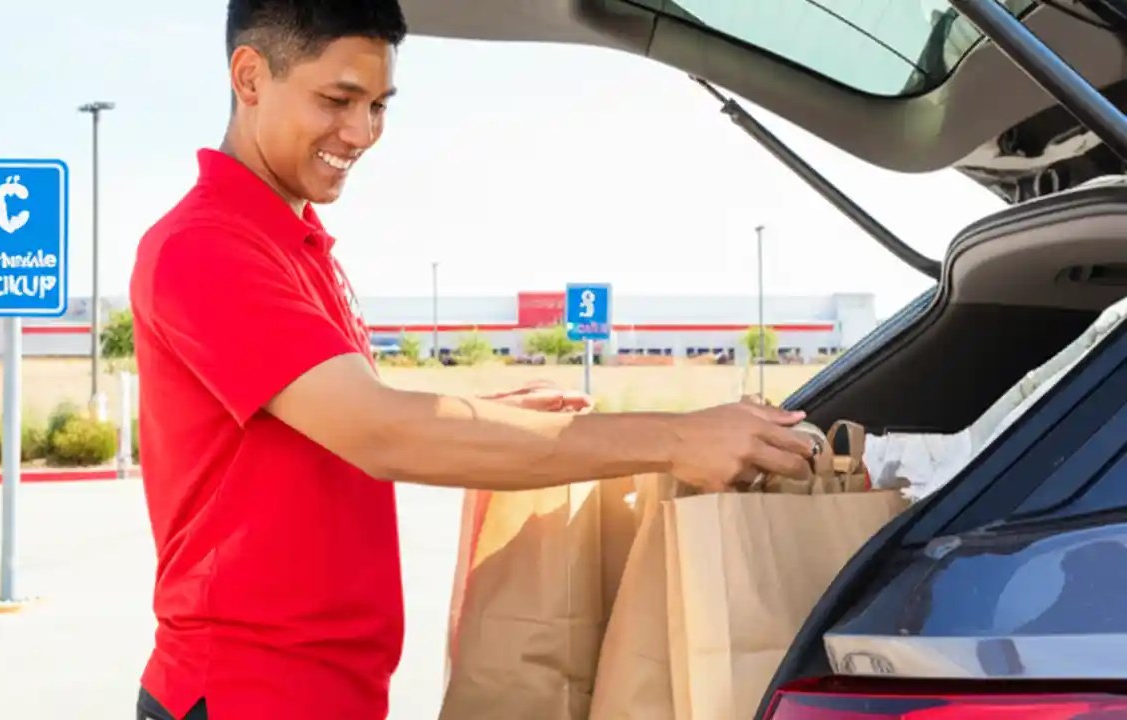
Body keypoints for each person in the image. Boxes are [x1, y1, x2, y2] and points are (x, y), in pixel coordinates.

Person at [128, 1, 816, 718]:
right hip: (243, 693)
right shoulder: (206, 248)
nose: (362, 133)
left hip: (324, 692)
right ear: (249, 76)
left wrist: (486, 416)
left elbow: (331, 415)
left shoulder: (294, 243)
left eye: (378, 104)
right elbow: (381, 431)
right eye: (337, 100)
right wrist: (677, 438)